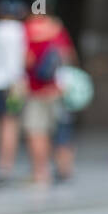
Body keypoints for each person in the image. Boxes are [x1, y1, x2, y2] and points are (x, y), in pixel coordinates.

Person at [22, 12, 76, 186]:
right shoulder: (56, 28)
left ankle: (41, 173)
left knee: (37, 132)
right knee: (62, 132)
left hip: (35, 91)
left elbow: (26, 61)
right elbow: (69, 56)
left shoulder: (27, 30)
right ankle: (64, 170)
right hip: (58, 91)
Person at [0, 0, 27, 184]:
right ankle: (5, 169)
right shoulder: (20, 31)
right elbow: (19, 61)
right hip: (12, 85)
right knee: (10, 126)